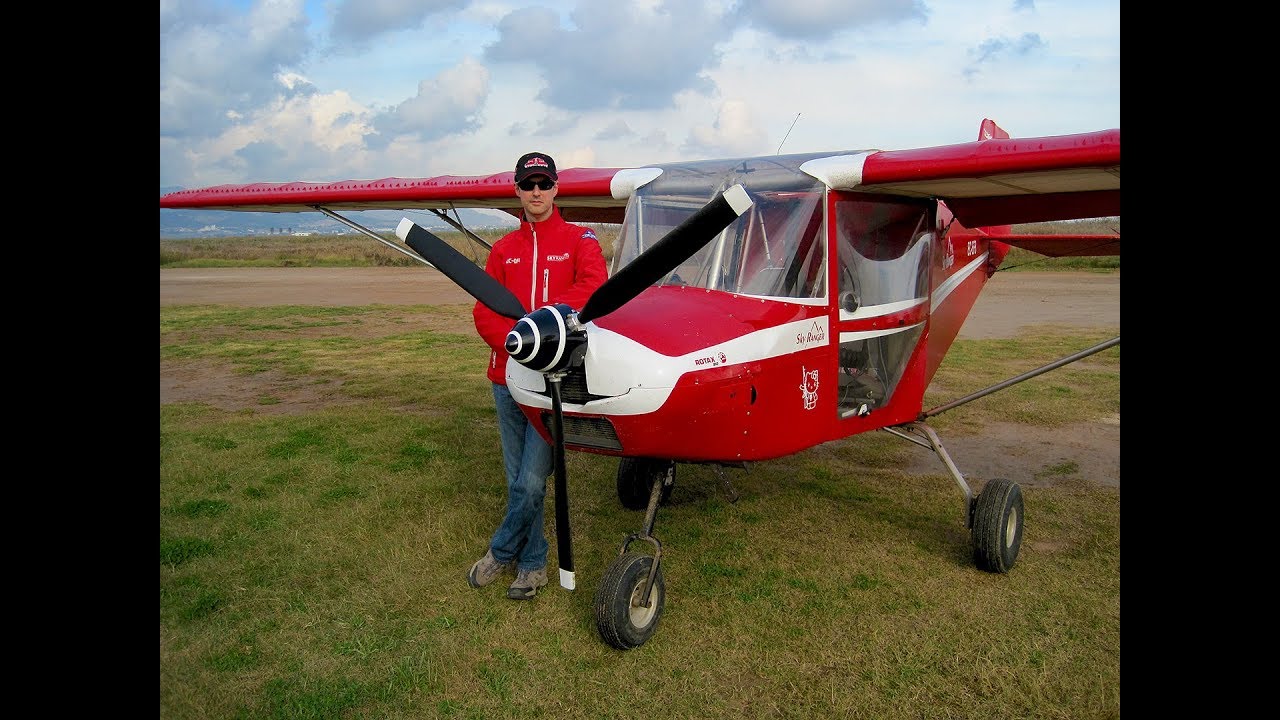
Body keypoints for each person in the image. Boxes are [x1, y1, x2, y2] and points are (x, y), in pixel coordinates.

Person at [468, 151, 609, 600]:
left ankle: (502, 549)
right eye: (528, 185)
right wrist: (519, 340)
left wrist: (542, 327)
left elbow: (592, 286)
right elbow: (484, 308)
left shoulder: (579, 239)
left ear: (555, 189)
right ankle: (533, 565)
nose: (536, 192)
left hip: (553, 382)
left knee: (531, 480)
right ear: (517, 190)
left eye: (543, 184)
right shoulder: (504, 250)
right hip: (506, 378)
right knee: (517, 481)